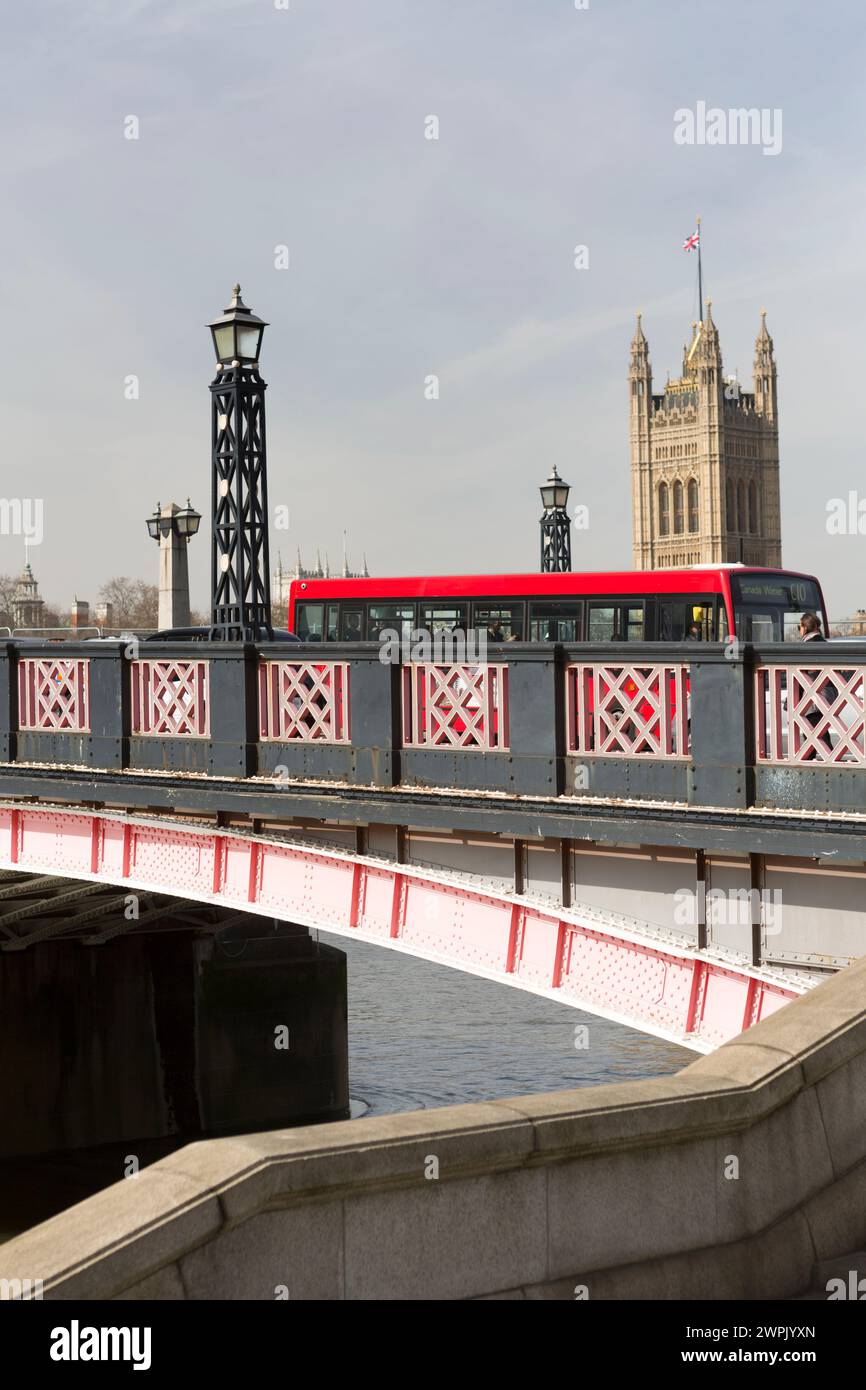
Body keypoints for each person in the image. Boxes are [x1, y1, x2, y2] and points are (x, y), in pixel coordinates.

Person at [799, 612, 836, 758]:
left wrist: (791, 699)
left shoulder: (806, 646)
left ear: (805, 628)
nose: (799, 630)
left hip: (814, 696)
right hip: (829, 693)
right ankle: (811, 761)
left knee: (816, 735)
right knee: (817, 734)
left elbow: (801, 674)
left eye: (799, 627)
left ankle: (832, 763)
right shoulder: (825, 644)